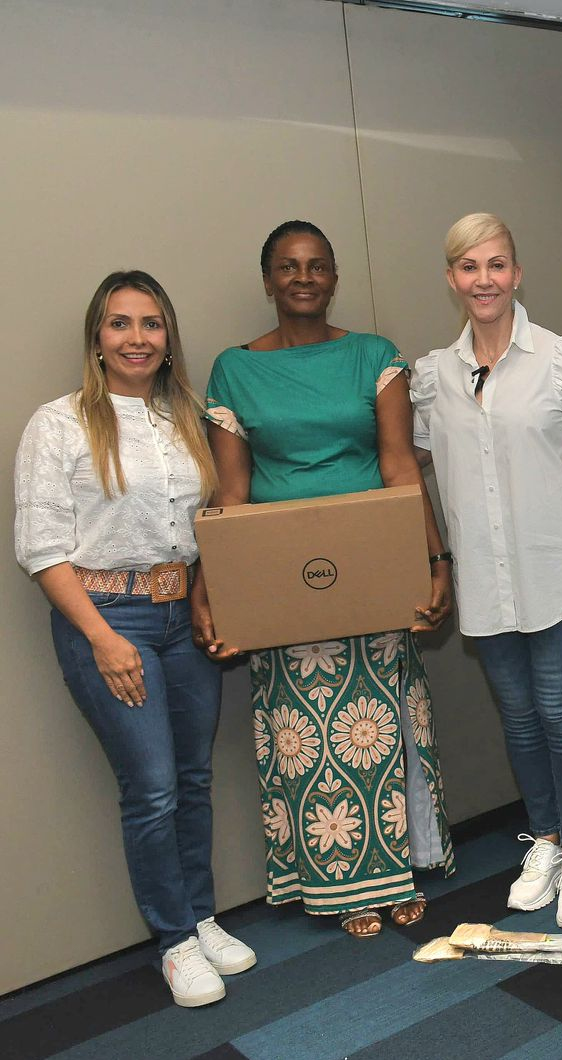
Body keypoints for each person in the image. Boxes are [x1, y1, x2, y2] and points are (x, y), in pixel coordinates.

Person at [195, 221, 456, 938]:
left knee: (381, 727)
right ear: (268, 280)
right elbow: (232, 490)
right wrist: (212, 589)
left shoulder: (375, 356)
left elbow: (401, 465)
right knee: (304, 733)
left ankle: (401, 868)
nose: (302, 277)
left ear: (334, 277)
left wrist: (436, 562)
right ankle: (340, 886)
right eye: (287, 266)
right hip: (279, 578)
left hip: (373, 564)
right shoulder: (233, 370)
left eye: (316, 266)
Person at [15, 271, 255, 1007]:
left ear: (167, 337)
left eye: (151, 324)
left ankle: (202, 915)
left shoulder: (185, 417)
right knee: (150, 789)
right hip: (107, 619)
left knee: (192, 779)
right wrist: (100, 638)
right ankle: (174, 940)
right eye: (120, 324)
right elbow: (41, 548)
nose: (137, 338)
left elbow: (209, 522)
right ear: (97, 336)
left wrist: (210, 602)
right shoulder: (57, 424)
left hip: (183, 616)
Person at [411, 212, 562, 927]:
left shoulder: (561, 358)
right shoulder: (433, 377)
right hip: (486, 579)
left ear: (517, 272)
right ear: (451, 279)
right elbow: (416, 470)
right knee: (522, 721)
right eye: (469, 267)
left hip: (560, 571)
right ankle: (548, 839)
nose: (484, 280)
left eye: (496, 265)